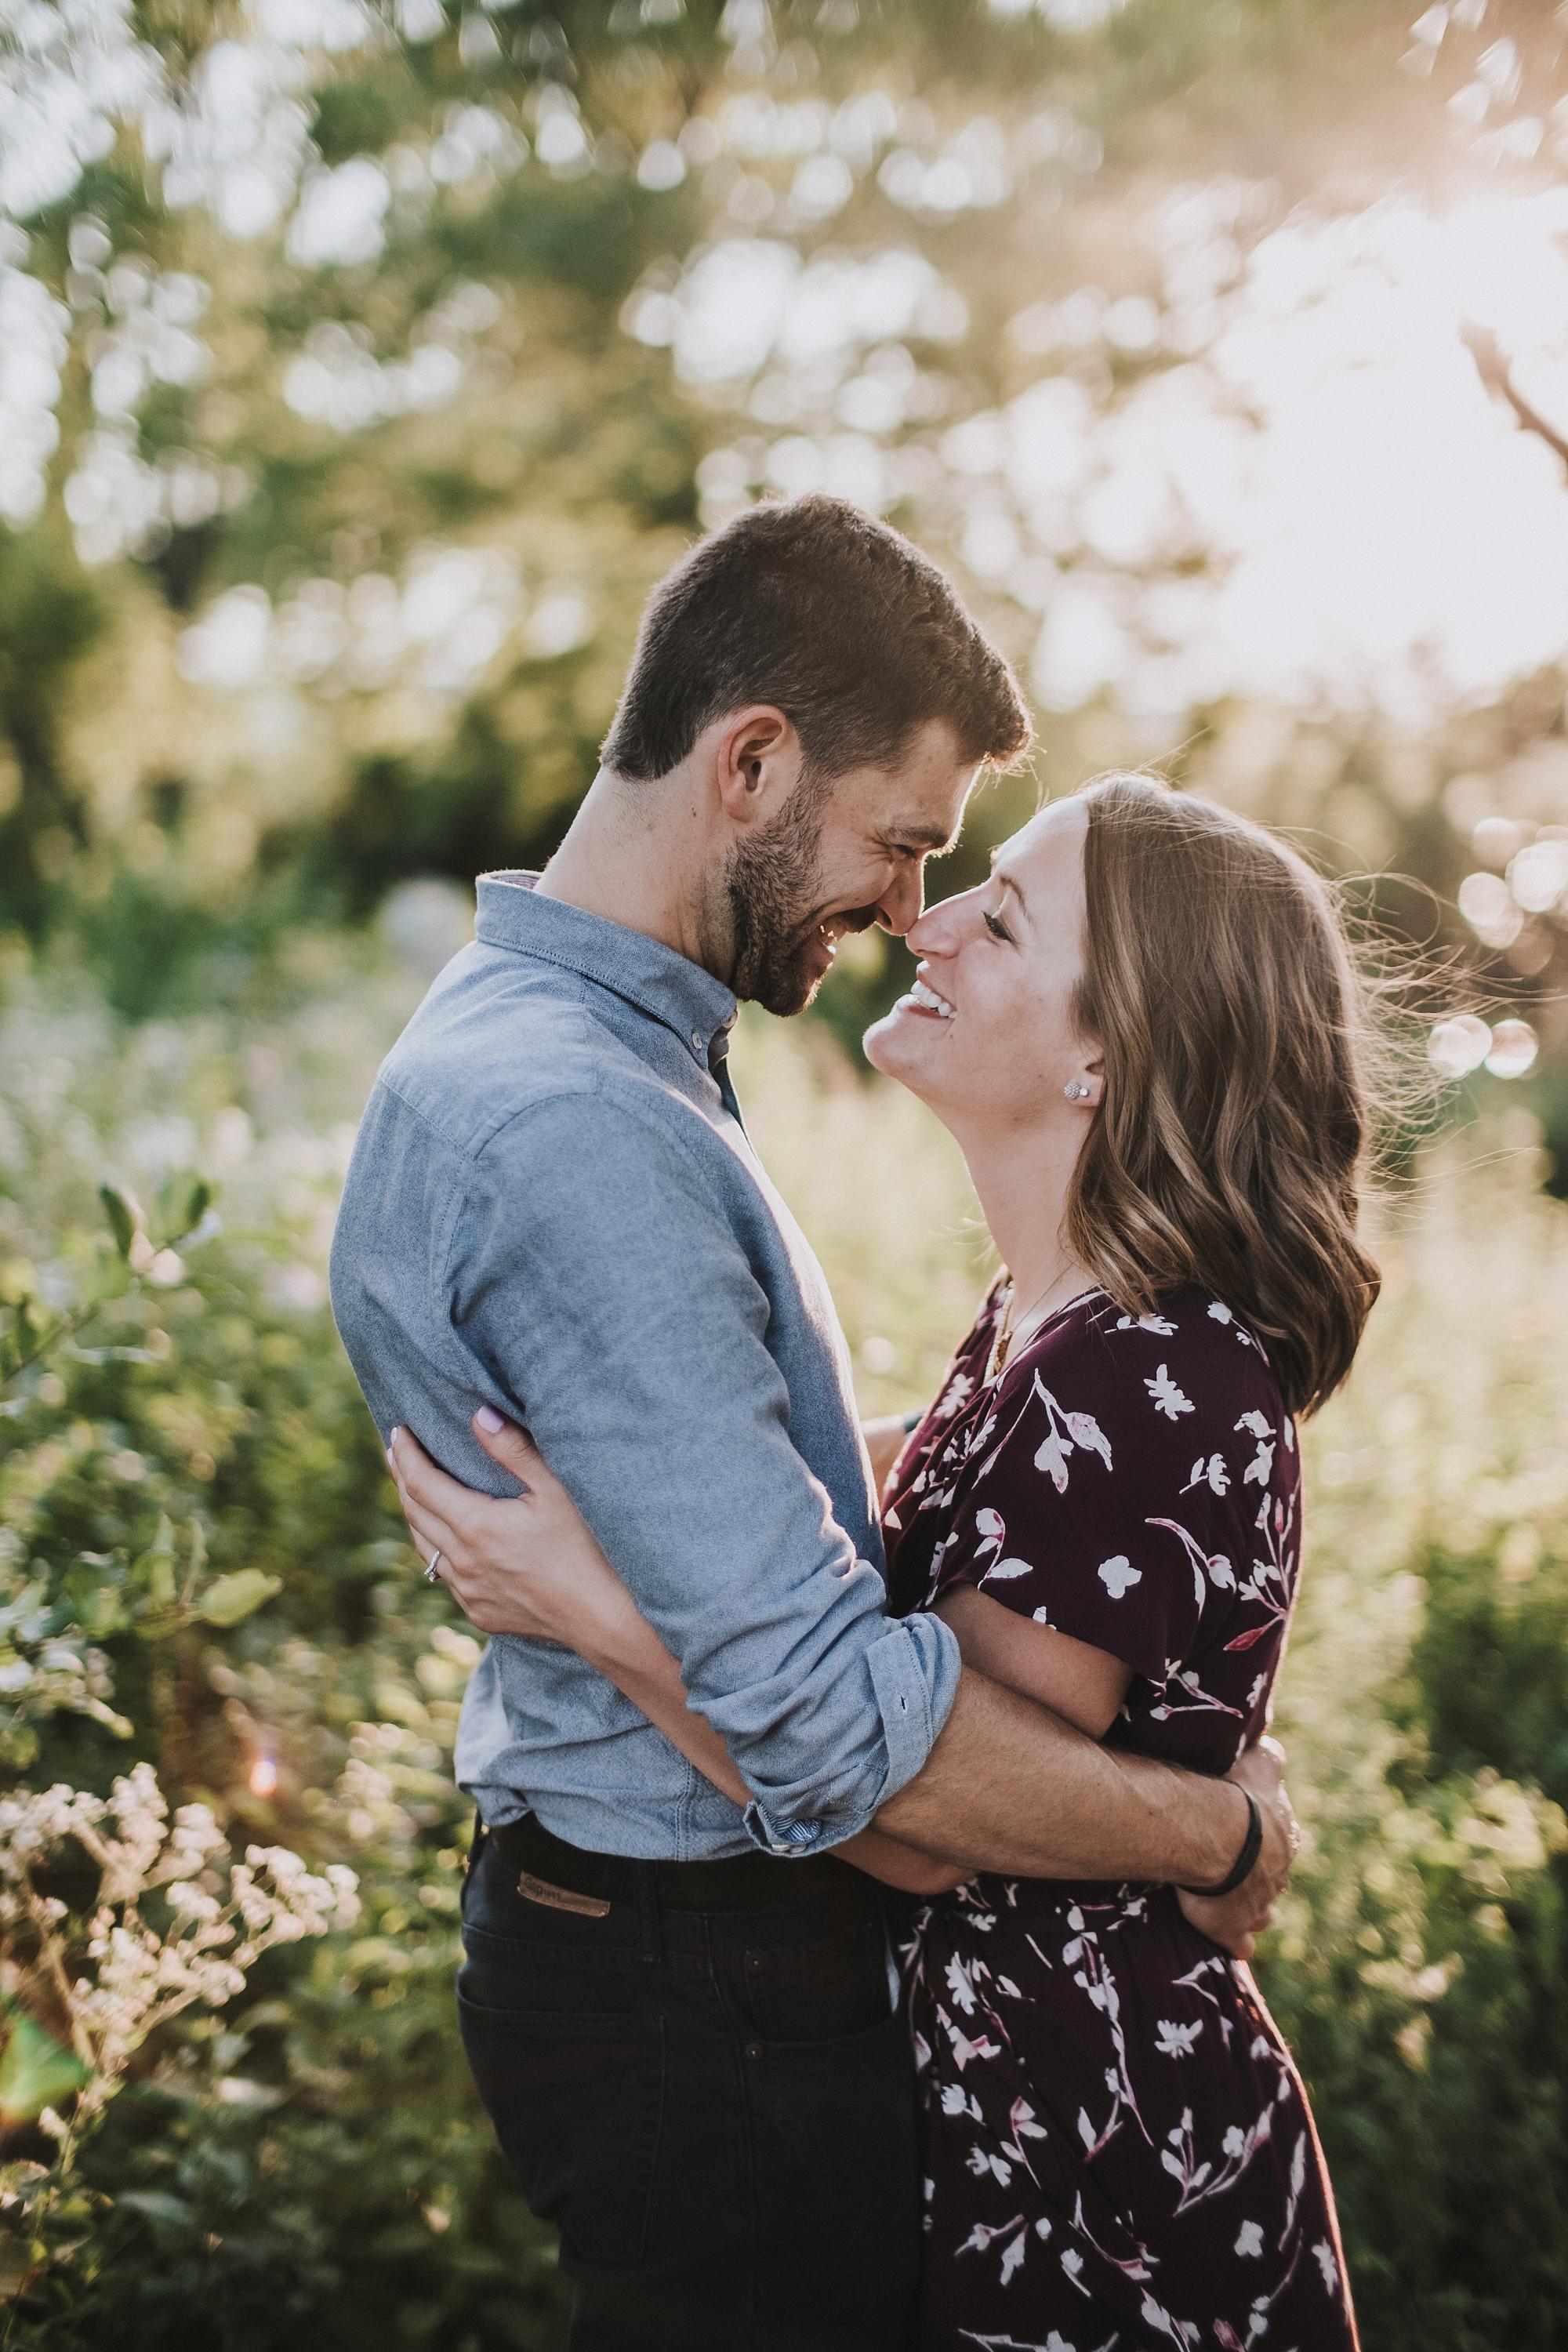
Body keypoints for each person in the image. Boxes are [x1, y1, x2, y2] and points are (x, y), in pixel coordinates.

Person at [332, 497, 1294, 2352]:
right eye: (903, 847)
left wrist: (673, 1556)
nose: (909, 913)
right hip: (699, 1986)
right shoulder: (576, 1127)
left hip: (693, 1968)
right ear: (751, 763)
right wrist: (1217, 1839)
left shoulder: (597, 1054)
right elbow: (843, 1742)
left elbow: (756, 1504)